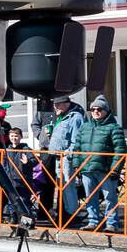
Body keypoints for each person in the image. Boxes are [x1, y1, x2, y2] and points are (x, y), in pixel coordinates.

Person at [70, 95, 127, 233]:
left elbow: (120, 150)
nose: (95, 111)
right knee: (90, 197)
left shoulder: (114, 128)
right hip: (87, 168)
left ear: (106, 111)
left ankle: (112, 224)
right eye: (93, 109)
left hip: (106, 169)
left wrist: (115, 169)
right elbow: (77, 147)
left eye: (99, 109)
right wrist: (77, 166)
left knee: (110, 197)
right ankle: (93, 221)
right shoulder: (85, 127)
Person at [45, 94, 85, 227]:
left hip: (66, 158)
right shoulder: (61, 116)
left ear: (65, 103)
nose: (55, 107)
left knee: (68, 186)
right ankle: (65, 212)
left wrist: (67, 154)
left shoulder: (75, 117)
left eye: (57, 105)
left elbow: (76, 140)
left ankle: (71, 213)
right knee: (61, 186)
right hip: (58, 156)